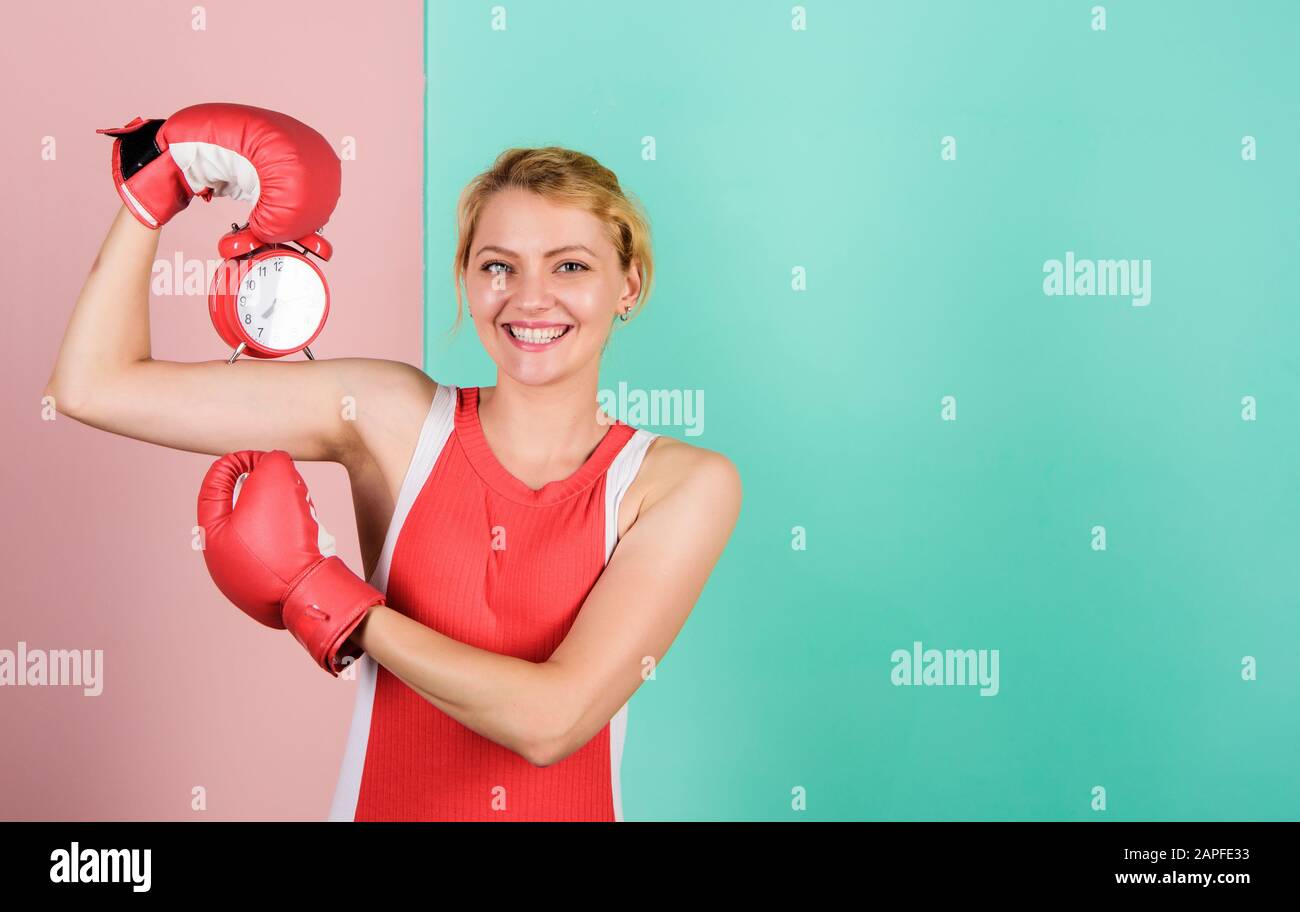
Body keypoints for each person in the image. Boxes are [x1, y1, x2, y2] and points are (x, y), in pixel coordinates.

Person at [46, 139, 742, 821]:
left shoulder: (676, 484)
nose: (531, 298)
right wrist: (152, 191)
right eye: (499, 265)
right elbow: (93, 386)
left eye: (570, 267)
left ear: (628, 285)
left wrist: (335, 606)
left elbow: (551, 722)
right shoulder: (391, 417)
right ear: (466, 280)